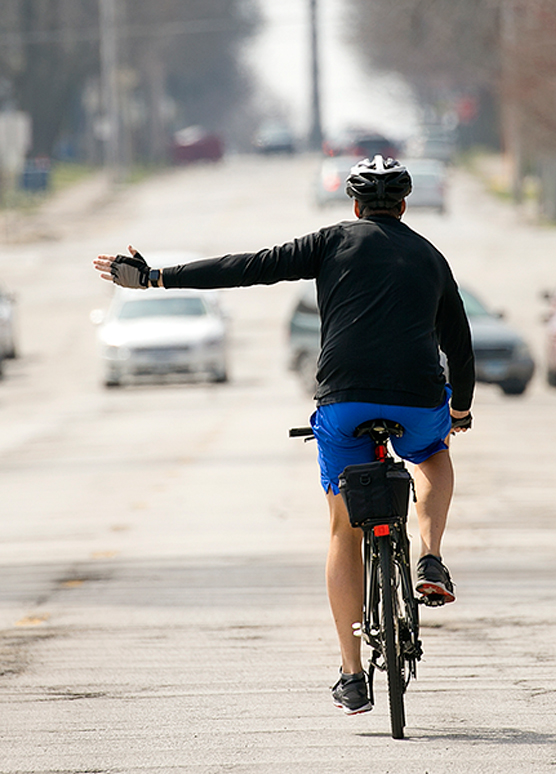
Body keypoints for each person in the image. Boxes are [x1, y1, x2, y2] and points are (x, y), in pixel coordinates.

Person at [93, 155, 475, 717]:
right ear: (403, 206)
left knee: (344, 531)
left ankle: (352, 674)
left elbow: (247, 267)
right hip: (417, 400)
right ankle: (431, 556)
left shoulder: (330, 242)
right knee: (435, 455)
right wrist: (459, 410)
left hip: (344, 401)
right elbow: (459, 343)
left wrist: (155, 277)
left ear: (354, 206)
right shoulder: (431, 257)